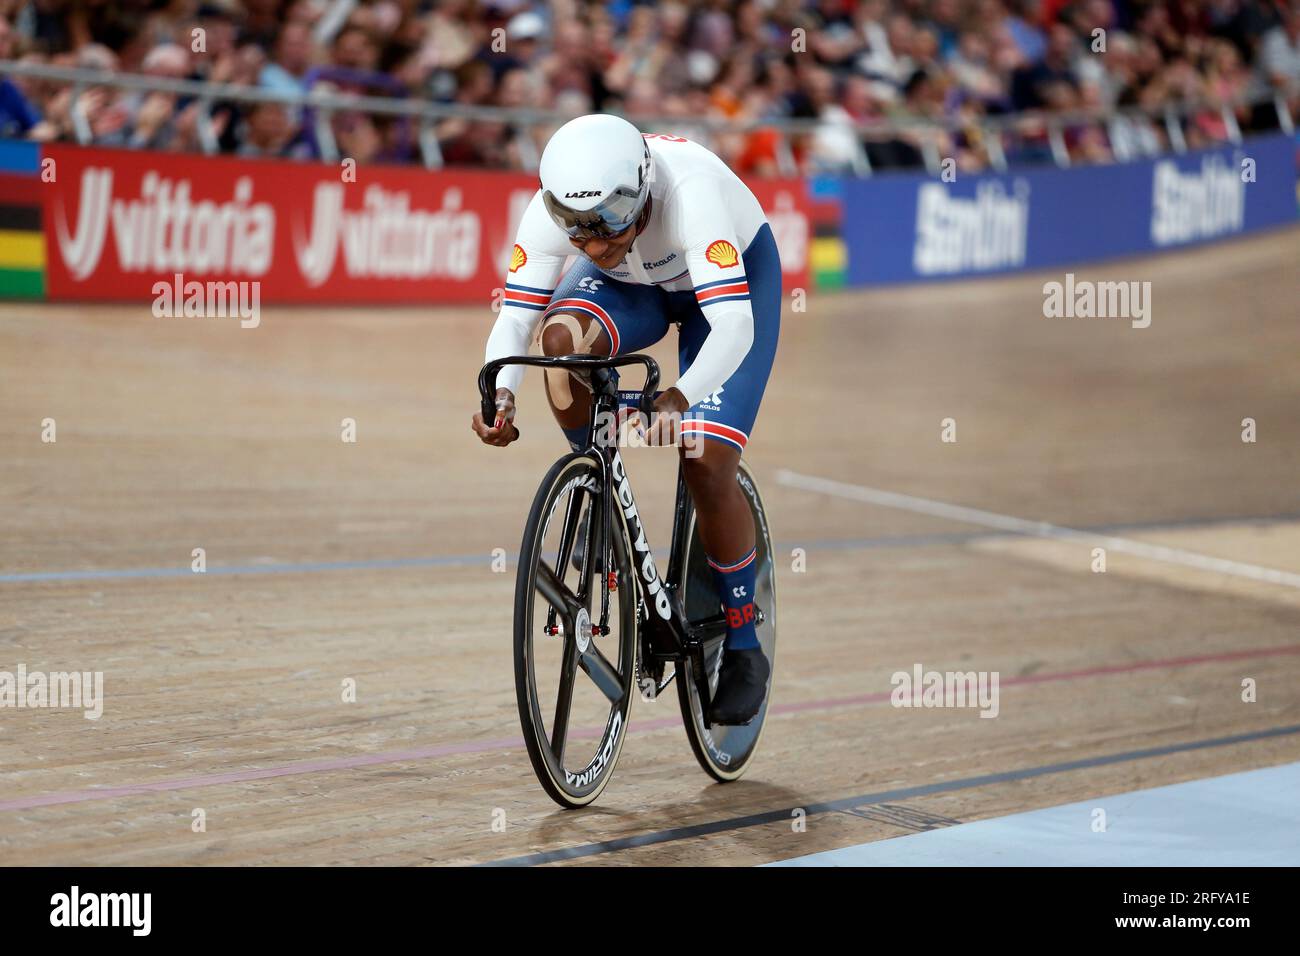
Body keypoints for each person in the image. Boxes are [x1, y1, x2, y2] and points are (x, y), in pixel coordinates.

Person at [472, 113, 780, 725]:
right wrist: (501, 394)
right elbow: (514, 321)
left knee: (704, 459)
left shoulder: (690, 194)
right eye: (576, 230)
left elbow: (734, 327)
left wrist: (682, 396)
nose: (592, 242)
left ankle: (745, 641)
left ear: (640, 190)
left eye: (609, 222)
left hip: (723, 294)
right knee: (560, 340)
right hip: (634, 285)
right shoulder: (558, 212)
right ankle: (600, 486)